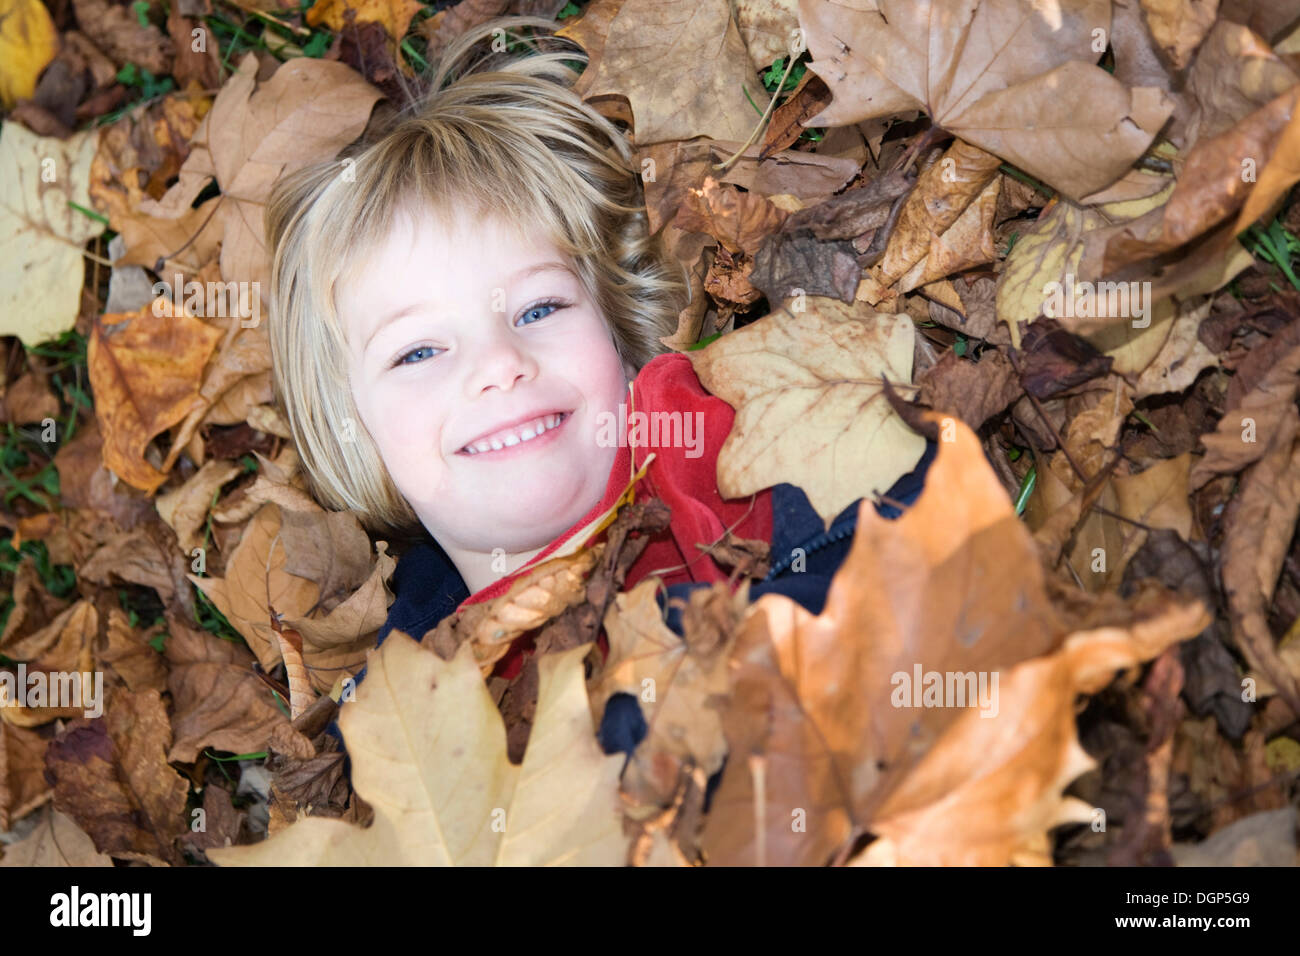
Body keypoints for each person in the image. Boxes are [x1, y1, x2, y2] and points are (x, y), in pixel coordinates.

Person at [264, 14, 935, 786]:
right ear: (354, 429)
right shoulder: (399, 724)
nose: (500, 365)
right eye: (418, 352)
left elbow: (901, 531)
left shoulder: (715, 454)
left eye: (538, 310)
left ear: (620, 338)